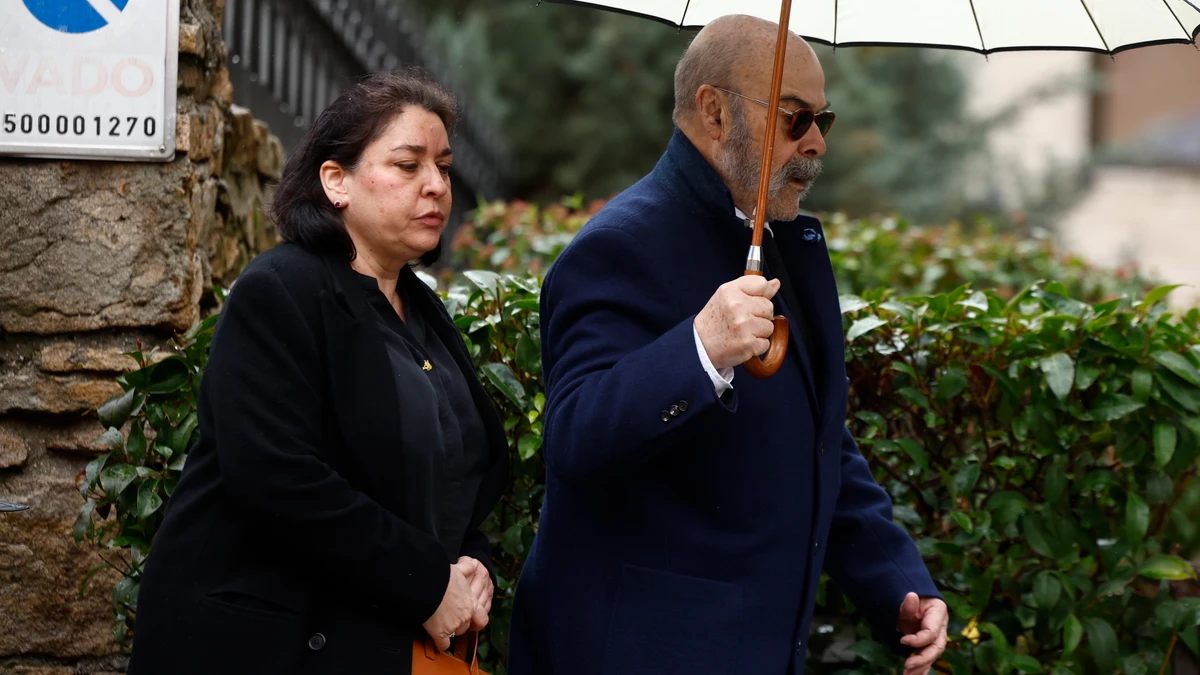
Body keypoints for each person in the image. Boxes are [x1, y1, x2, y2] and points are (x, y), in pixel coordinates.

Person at [506, 15, 947, 675]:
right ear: (714, 112)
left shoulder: (777, 242)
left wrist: (898, 584)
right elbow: (575, 437)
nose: (817, 142)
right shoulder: (618, 246)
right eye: (795, 117)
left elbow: (817, 444)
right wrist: (700, 349)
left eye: (823, 119)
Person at [127, 70, 509, 675]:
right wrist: (427, 583)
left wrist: (471, 564)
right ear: (336, 181)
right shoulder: (280, 289)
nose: (437, 185)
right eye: (408, 165)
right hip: (265, 646)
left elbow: (444, 473)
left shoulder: (422, 309)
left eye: (443, 166)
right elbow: (275, 476)